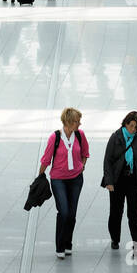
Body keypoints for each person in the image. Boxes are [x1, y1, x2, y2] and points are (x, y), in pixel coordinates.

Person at [38, 108, 90, 259]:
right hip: (58, 179)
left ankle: (68, 243)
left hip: (76, 179)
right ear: (68, 122)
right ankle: (60, 246)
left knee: (72, 214)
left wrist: (82, 166)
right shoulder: (54, 137)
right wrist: (40, 176)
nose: (79, 123)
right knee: (64, 212)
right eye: (76, 121)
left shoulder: (80, 135)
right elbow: (46, 160)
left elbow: (85, 153)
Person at [103, 111, 137, 257]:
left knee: (134, 214)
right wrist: (109, 182)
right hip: (117, 181)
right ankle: (115, 238)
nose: (133, 129)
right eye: (131, 126)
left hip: (134, 181)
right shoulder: (115, 137)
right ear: (125, 123)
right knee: (116, 212)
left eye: (136, 127)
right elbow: (108, 161)